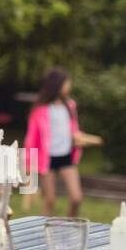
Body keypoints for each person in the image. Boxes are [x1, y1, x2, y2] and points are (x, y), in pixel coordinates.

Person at [23, 67, 101, 217]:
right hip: (48, 160)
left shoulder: (70, 106)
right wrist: (28, 164)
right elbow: (31, 139)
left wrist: (87, 139)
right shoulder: (40, 110)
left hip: (66, 157)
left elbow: (74, 131)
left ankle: (70, 226)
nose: (69, 86)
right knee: (50, 200)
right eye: (67, 83)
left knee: (77, 198)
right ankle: (42, 230)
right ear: (56, 85)